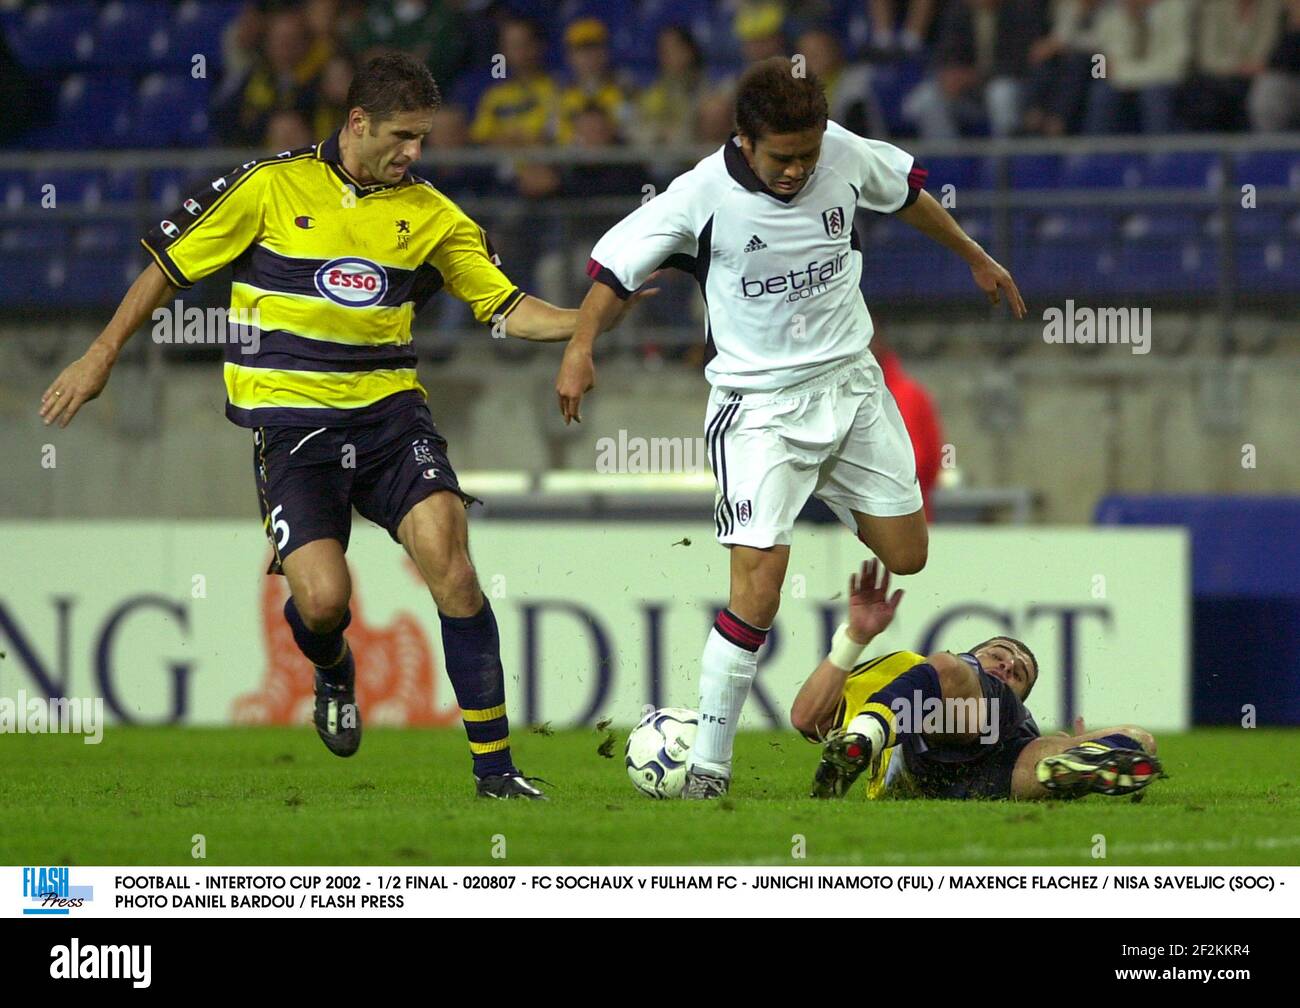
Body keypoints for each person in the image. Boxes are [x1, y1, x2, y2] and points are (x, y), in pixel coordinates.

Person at [38, 54, 647, 800]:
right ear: (357, 123)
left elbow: (507, 307)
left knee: (451, 566)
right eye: (402, 136)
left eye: (422, 138)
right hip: (293, 425)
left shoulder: (431, 214)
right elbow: (167, 268)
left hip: (391, 418)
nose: (415, 153)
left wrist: (594, 316)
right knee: (324, 602)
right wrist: (101, 355)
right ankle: (334, 669)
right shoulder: (269, 185)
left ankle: (496, 774)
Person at [555, 57, 1025, 799]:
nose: (798, 169)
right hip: (760, 409)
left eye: (807, 154)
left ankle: (852, 626)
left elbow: (906, 196)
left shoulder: (838, 151)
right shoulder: (697, 197)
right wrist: (581, 348)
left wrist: (975, 255)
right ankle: (708, 769)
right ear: (744, 141)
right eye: (783, 157)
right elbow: (613, 277)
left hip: (852, 386)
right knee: (760, 589)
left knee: (907, 556)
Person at [792, 561, 1163, 801]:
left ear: (1018, 699)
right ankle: (1079, 764)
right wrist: (853, 639)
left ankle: (865, 739)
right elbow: (807, 719)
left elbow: (971, 682)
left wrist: (1071, 741)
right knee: (1037, 755)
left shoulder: (1006, 709)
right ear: (971, 653)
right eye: (997, 656)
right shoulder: (909, 668)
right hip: (954, 776)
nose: (1006, 667)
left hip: (986, 745)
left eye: (1019, 674)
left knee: (1138, 738)